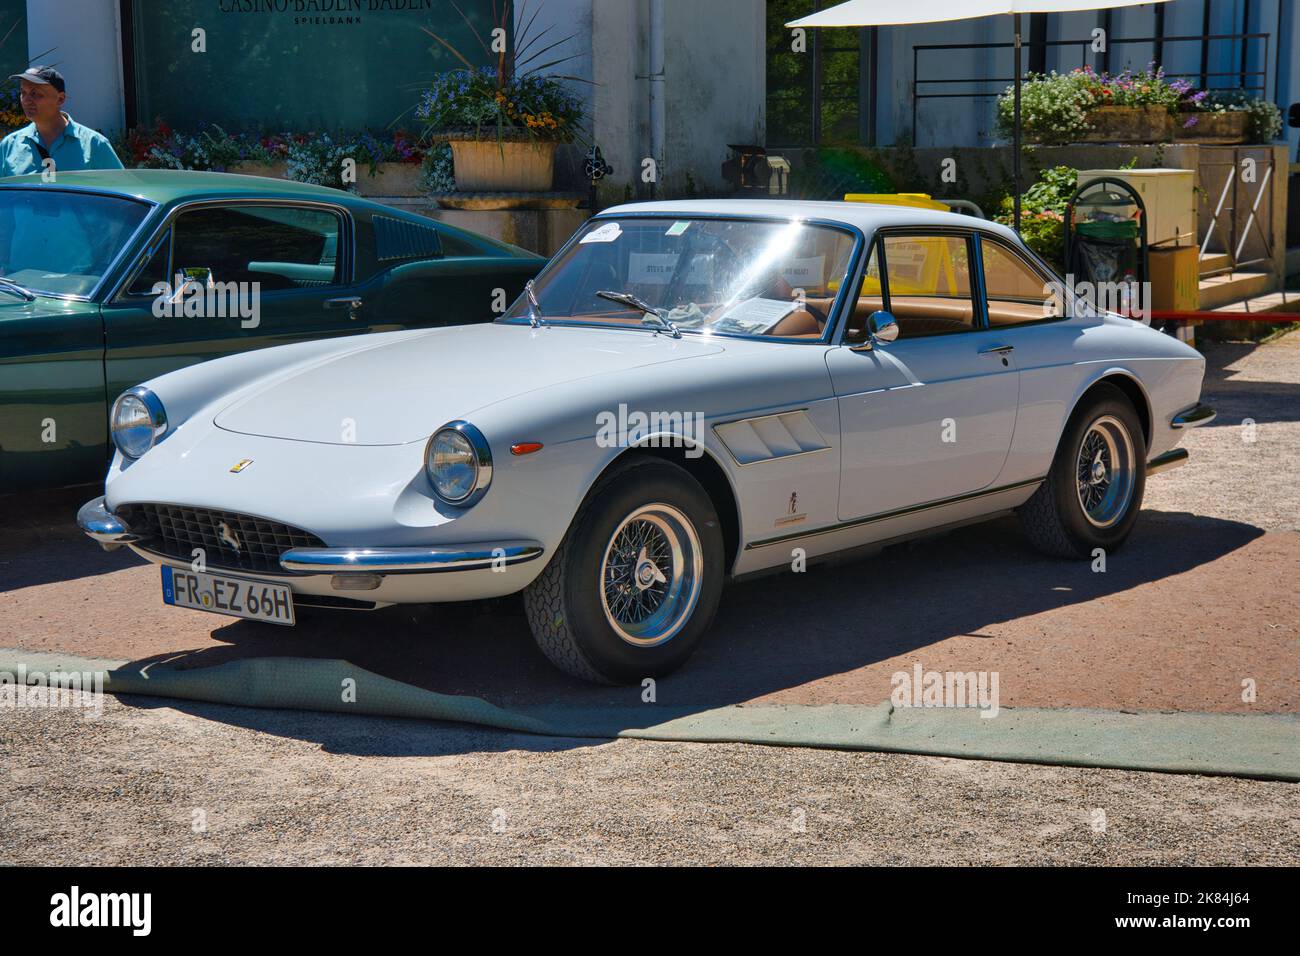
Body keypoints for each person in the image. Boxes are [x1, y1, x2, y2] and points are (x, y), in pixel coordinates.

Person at [0, 66, 122, 177]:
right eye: (23, 93)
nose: (26, 100)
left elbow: (120, 192)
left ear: (60, 99)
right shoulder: (9, 146)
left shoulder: (94, 144)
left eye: (35, 94)